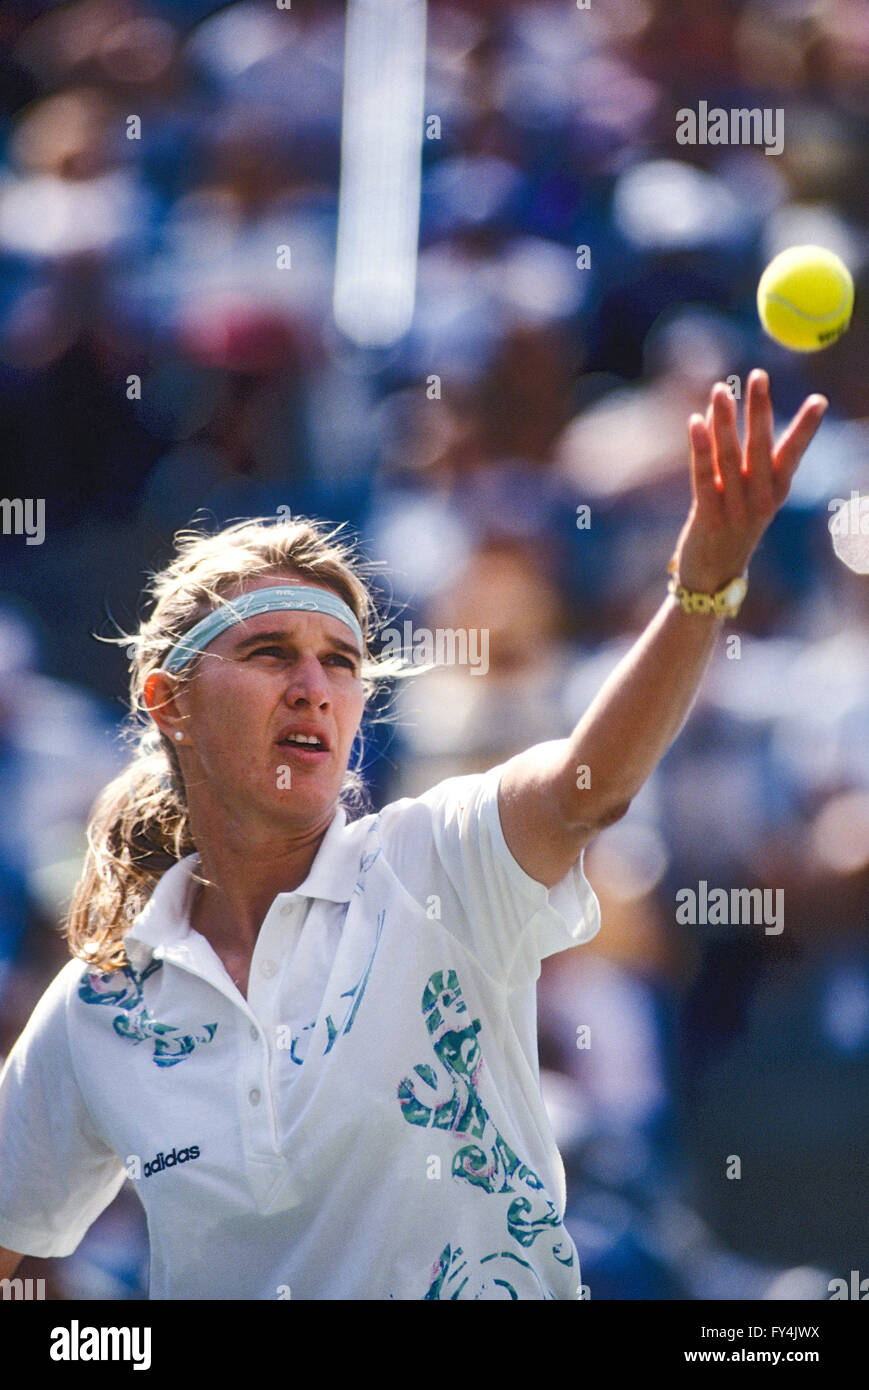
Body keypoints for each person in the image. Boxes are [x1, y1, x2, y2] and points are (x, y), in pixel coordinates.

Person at [0, 372, 827, 1299]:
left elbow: (586, 790)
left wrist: (700, 591)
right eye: (271, 653)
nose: (313, 684)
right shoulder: (95, 1010)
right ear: (170, 701)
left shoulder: (438, 857)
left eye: (341, 662)